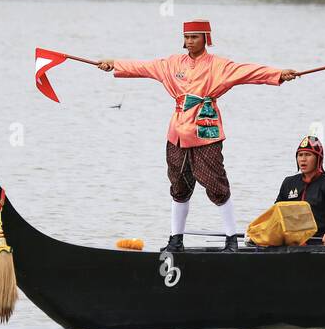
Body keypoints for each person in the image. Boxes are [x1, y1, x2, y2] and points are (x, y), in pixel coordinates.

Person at [99, 19, 299, 252]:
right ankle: (176, 239)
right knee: (178, 185)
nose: (189, 42)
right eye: (186, 37)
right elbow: (144, 67)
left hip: (206, 130)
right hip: (177, 131)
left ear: (206, 38)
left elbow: (249, 72)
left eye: (194, 37)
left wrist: (279, 74)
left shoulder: (219, 66)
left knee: (216, 183)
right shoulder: (172, 64)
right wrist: (114, 64)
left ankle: (230, 239)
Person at [275, 135, 325, 238]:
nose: (303, 159)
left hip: (319, 239)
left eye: (308, 155)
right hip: (291, 239)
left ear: (318, 158)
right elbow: (276, 212)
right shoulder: (289, 182)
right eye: (300, 155)